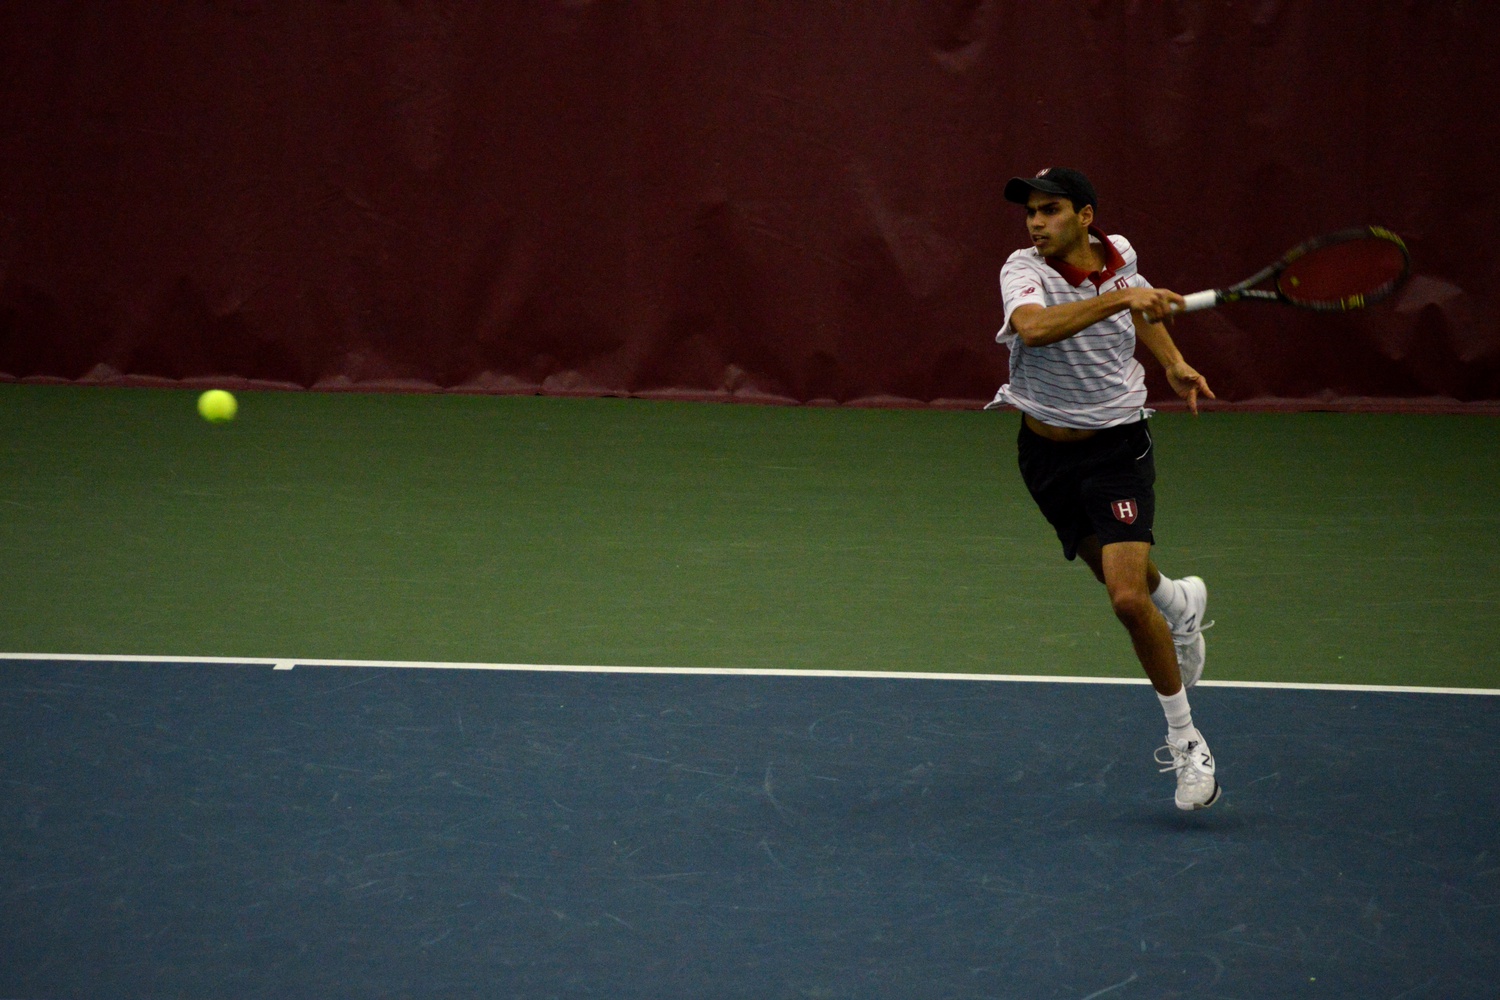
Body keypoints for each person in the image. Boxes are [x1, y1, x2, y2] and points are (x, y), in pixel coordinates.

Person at [987, 167, 1221, 810]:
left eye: (1051, 210)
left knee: (1123, 597)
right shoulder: (1022, 269)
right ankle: (1177, 601)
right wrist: (1123, 299)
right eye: (1031, 212)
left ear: (1085, 216)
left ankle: (1186, 743)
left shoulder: (1123, 258)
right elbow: (1033, 329)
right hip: (1044, 455)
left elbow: (1141, 309)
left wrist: (1171, 361)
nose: (1036, 222)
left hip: (1118, 446)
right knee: (1121, 580)